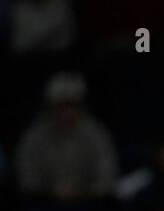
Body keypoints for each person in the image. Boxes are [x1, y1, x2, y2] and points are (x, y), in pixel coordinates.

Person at [14, 71, 118, 201]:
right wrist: (51, 192)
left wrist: (83, 192)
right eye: (61, 106)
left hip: (88, 205)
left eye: (72, 105)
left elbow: (107, 174)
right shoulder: (35, 136)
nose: (67, 112)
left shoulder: (95, 133)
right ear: (50, 106)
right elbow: (26, 177)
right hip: (46, 205)